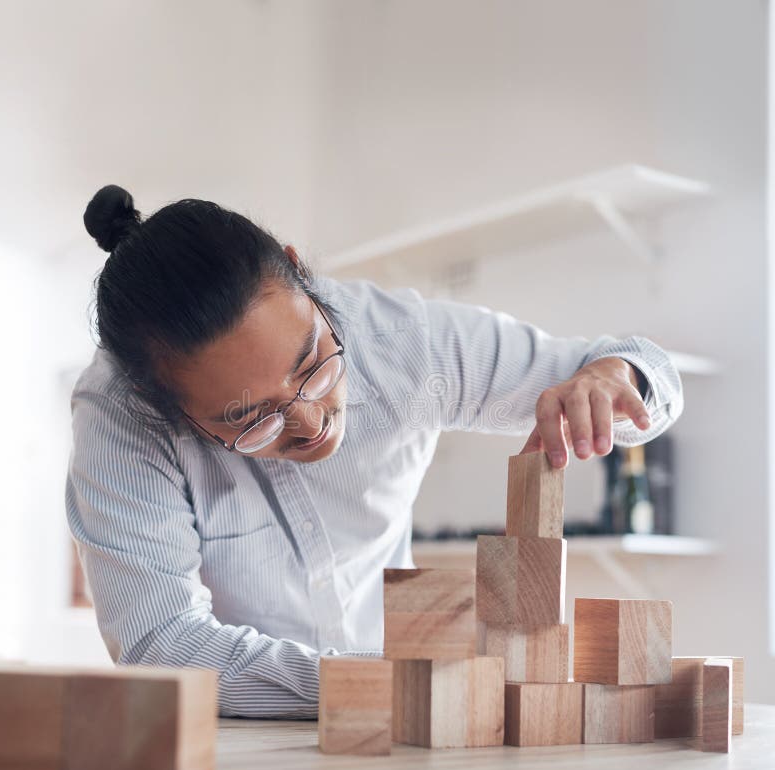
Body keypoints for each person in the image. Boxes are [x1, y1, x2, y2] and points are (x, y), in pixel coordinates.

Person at [66, 185, 683, 719]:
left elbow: (650, 372)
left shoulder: (402, 340)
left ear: (297, 271)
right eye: (248, 418)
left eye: (312, 363)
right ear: (159, 401)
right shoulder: (121, 411)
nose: (309, 423)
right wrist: (382, 679)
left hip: (406, 719)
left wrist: (611, 378)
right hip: (238, 733)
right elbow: (159, 641)